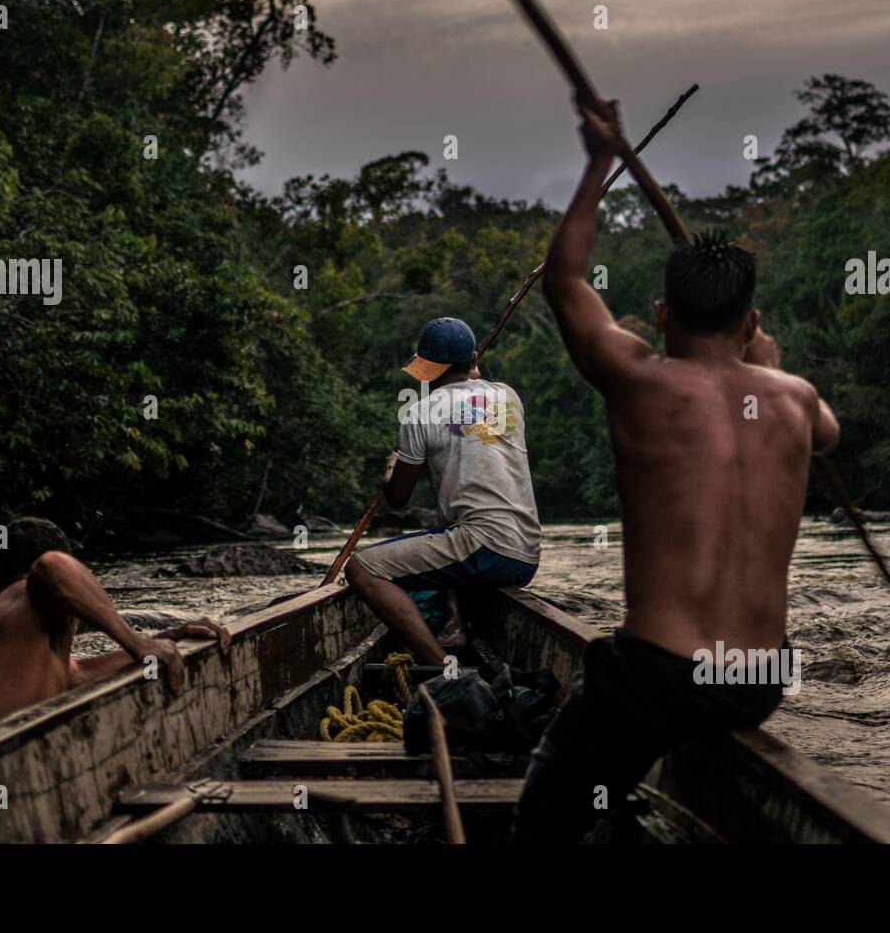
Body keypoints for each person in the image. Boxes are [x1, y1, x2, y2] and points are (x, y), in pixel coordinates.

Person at [512, 99, 840, 842]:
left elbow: (565, 280)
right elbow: (827, 437)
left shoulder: (642, 382)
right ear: (752, 322)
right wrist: (772, 366)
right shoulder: (797, 401)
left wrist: (599, 161)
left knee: (543, 820)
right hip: (755, 682)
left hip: (661, 678)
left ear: (661, 315)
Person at [0, 517, 230, 758]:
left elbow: (74, 675)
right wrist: (138, 643)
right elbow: (54, 565)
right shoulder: (38, 593)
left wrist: (168, 636)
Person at [345, 317, 543, 666]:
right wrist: (470, 368)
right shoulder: (509, 397)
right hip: (525, 555)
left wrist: (391, 468)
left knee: (361, 569)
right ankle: (456, 624)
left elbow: (397, 498)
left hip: (487, 551)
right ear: (473, 362)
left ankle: (441, 666)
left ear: (429, 370)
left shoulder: (418, 413)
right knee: (449, 522)